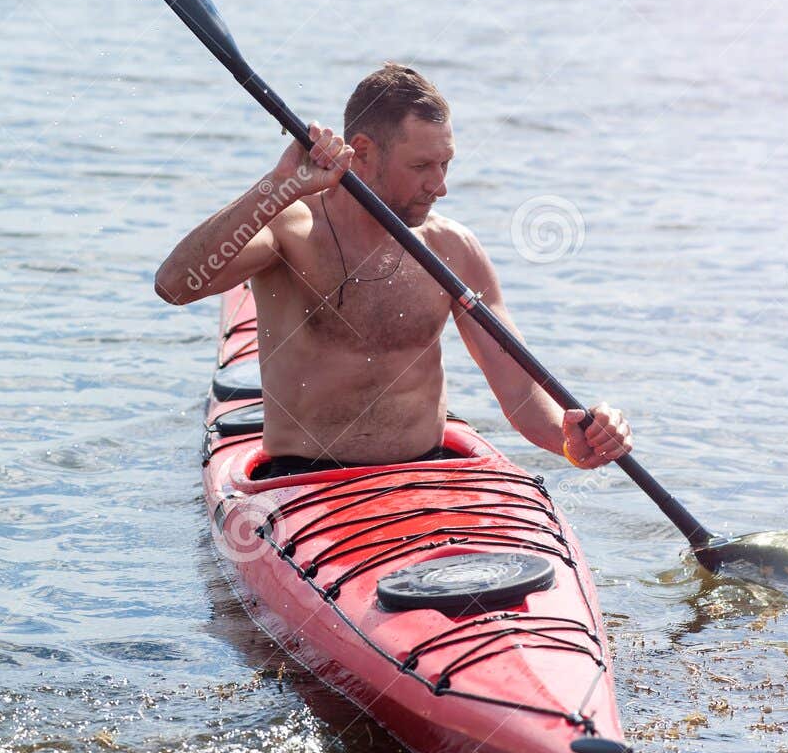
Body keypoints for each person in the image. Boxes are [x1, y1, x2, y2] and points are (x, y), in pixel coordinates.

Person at [155, 62, 632, 477]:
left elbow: (520, 391)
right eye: (422, 165)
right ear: (362, 151)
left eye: (446, 164)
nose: (439, 186)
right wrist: (280, 185)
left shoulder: (452, 249)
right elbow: (174, 285)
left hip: (427, 474)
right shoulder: (288, 231)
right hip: (302, 481)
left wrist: (573, 440)